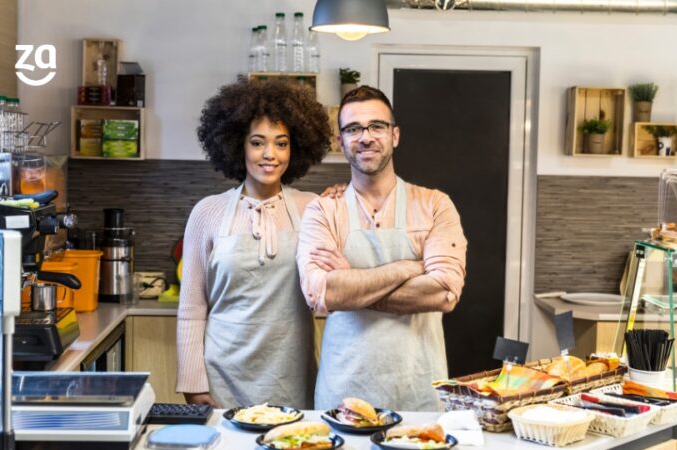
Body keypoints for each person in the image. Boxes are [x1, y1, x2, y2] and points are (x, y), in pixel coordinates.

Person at [296, 86, 468, 411]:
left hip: (419, 391)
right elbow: (321, 295)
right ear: (340, 141)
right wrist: (409, 268)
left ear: (395, 135)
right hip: (342, 392)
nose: (366, 137)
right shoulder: (323, 210)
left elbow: (444, 294)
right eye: (353, 129)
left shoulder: (434, 205)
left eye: (377, 126)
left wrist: (351, 282)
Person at [177, 79, 332, 409]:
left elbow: (332, 288)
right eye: (257, 142)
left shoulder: (312, 208)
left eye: (281, 143)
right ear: (238, 146)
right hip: (222, 378)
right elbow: (191, 308)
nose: (269, 155)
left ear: (296, 148)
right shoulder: (208, 212)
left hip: (292, 377)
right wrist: (192, 383)